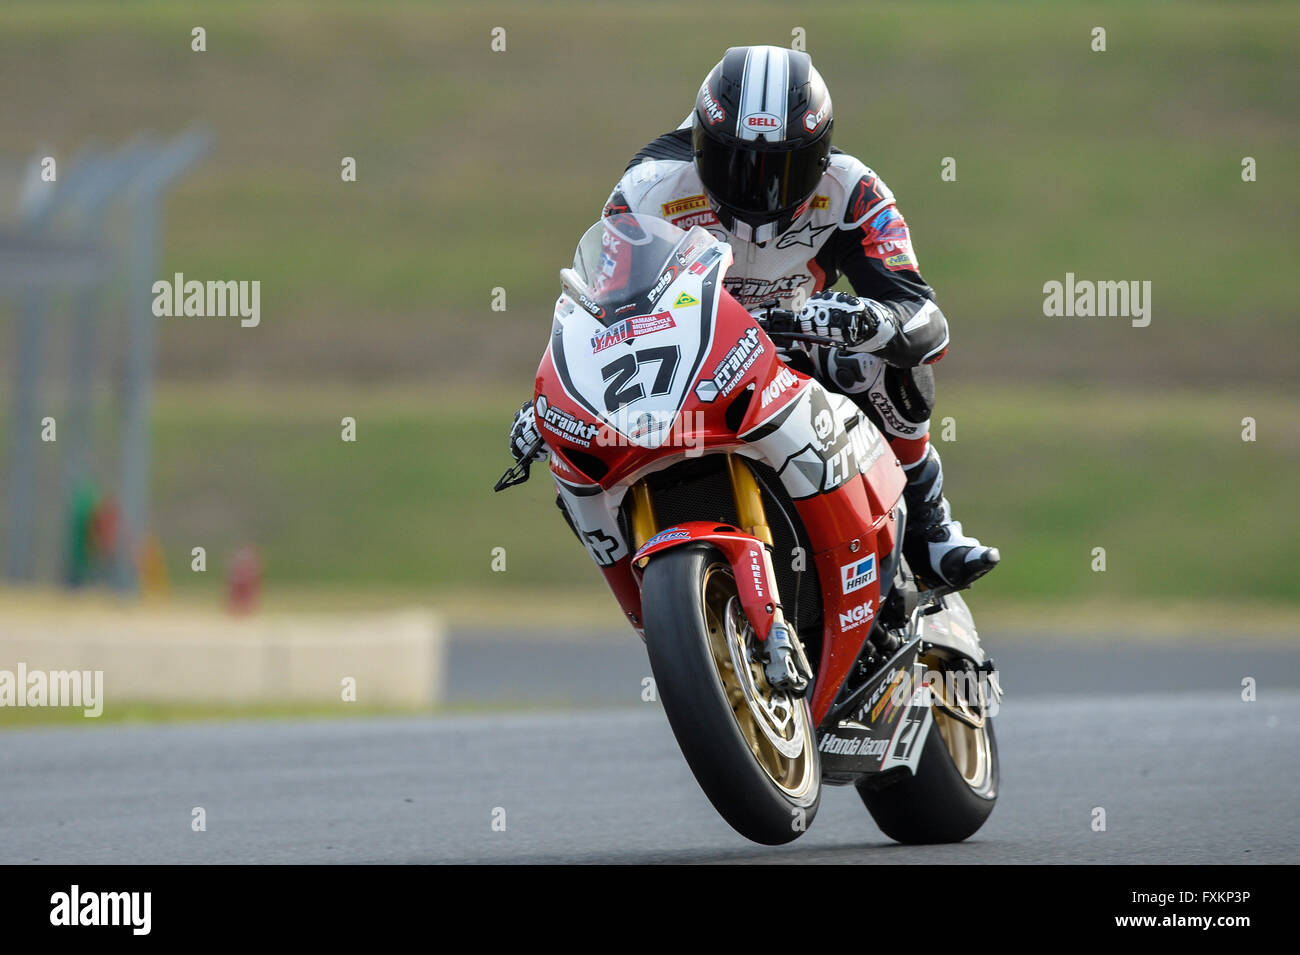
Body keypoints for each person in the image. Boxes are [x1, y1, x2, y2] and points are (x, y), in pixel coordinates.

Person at [510, 45, 998, 590]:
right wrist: (551, 402)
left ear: (818, 154)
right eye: (731, 161)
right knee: (574, 459)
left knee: (887, 362)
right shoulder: (649, 188)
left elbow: (924, 316)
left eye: (780, 169)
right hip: (688, 364)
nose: (754, 188)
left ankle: (927, 523)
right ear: (700, 142)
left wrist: (862, 321)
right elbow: (601, 308)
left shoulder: (852, 189)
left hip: (799, 346)